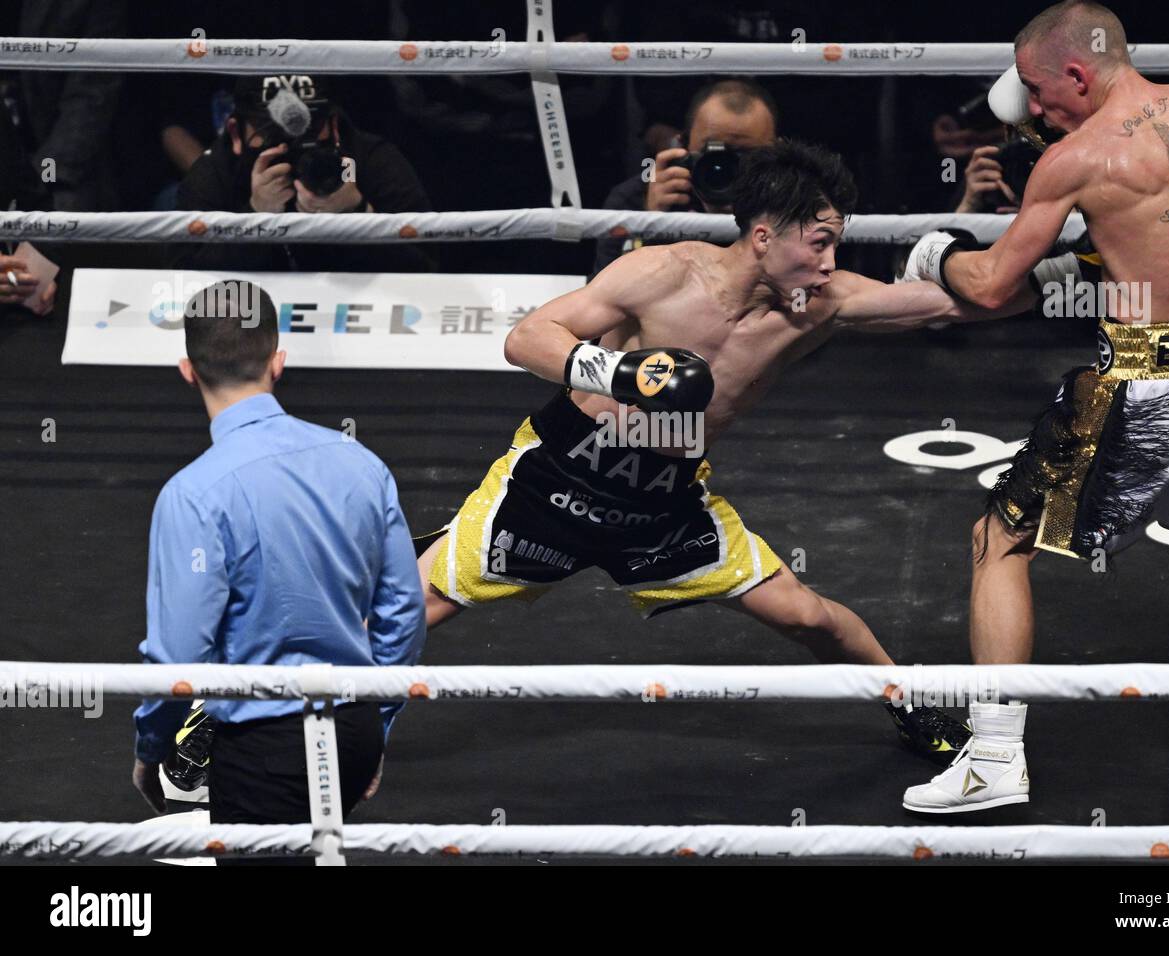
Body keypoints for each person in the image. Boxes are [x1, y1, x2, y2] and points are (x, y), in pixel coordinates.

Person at [414, 139, 1050, 763]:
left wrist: (1064, 268)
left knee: (806, 617)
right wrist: (628, 375)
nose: (831, 261)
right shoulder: (662, 273)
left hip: (665, 506)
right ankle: (322, 708)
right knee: (416, 610)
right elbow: (526, 339)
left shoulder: (824, 304)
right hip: (555, 480)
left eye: (836, 242)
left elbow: (976, 302)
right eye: (820, 241)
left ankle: (906, 700)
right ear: (766, 235)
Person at [899, 0, 1169, 813]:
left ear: (1077, 76)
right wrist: (1098, 257)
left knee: (997, 539)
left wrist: (938, 253)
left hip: (1148, 389)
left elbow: (991, 284)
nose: (1035, 117)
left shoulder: (1075, 160)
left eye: (1041, 98)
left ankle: (995, 760)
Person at [131, 280, 426, 862]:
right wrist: (374, 722)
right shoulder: (361, 464)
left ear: (188, 370)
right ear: (278, 362)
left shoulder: (192, 494)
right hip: (352, 727)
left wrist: (153, 746)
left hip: (264, 745)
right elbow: (404, 610)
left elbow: (179, 655)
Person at [173, 74, 434, 273]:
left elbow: (429, 269)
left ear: (333, 126)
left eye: (307, 132)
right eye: (271, 135)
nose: (290, 145)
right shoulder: (215, 173)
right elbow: (185, 279)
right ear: (235, 133)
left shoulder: (371, 159)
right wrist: (254, 219)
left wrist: (358, 215)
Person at [590, 79, 779, 277]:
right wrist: (652, 227)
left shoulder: (794, 201)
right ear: (683, 145)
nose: (728, 169)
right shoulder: (635, 201)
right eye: (714, 154)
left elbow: (801, 296)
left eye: (748, 156)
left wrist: (773, 214)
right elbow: (604, 301)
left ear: (776, 152)